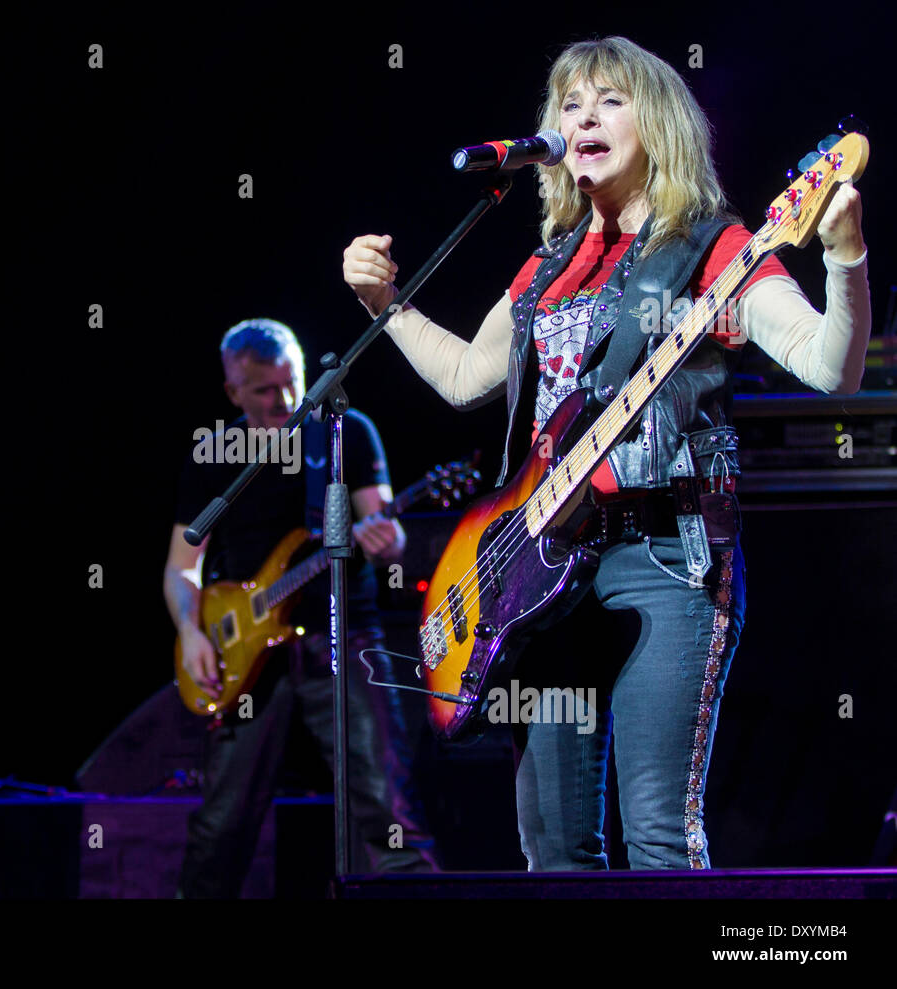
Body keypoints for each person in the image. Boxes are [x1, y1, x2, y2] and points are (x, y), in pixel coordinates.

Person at [342, 36, 869, 870]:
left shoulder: (713, 249)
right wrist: (387, 305)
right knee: (552, 849)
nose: (582, 116)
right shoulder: (546, 269)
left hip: (665, 556)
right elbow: (462, 378)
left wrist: (844, 256)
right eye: (569, 104)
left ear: (656, 124)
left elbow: (829, 364)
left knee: (658, 833)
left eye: (608, 100)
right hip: (538, 578)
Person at [165, 317, 436, 896]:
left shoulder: (346, 433)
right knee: (222, 824)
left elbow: (386, 525)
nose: (283, 400)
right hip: (247, 654)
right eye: (263, 390)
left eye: (292, 384)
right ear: (233, 390)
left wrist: (389, 541)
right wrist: (190, 630)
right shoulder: (214, 453)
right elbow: (181, 565)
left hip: (342, 636)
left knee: (388, 811)